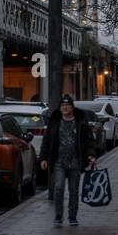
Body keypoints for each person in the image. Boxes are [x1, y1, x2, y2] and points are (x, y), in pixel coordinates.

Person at [40, 93, 96, 227]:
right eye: (63, 105)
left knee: (74, 190)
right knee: (58, 188)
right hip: (59, 161)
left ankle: (72, 216)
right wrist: (43, 158)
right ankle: (58, 217)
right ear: (60, 108)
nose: (65, 108)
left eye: (67, 105)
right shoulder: (54, 123)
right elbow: (46, 141)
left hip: (75, 162)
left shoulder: (81, 122)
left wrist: (91, 155)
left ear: (72, 107)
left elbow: (89, 141)